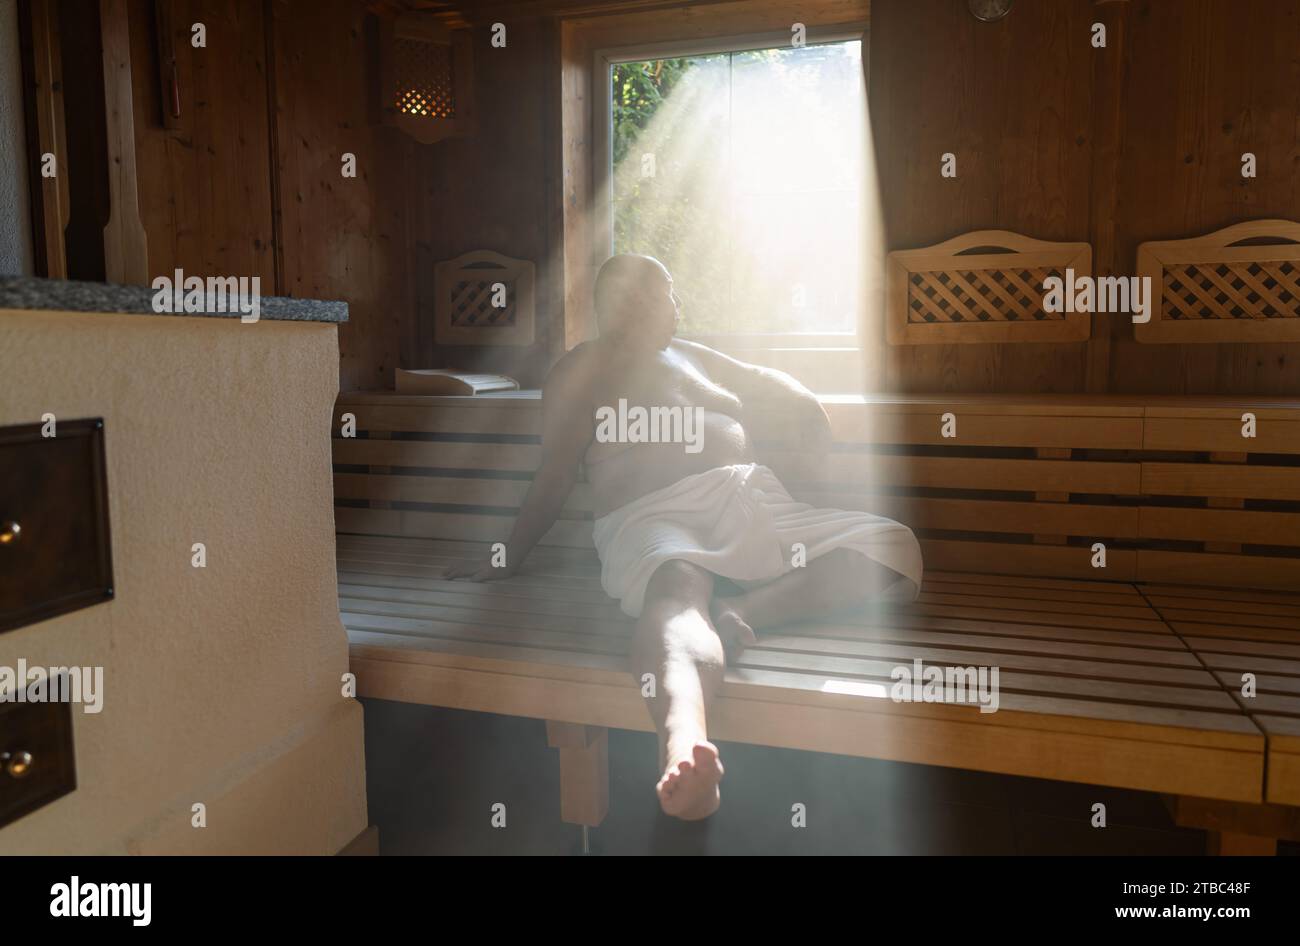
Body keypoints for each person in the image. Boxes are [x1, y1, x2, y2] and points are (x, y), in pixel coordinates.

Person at [446, 254, 922, 820]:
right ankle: (682, 744)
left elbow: (757, 379)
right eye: (670, 294)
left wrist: (802, 398)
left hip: (752, 500)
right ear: (636, 301)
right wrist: (507, 556)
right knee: (674, 596)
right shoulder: (580, 371)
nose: (678, 308)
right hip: (655, 517)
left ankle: (744, 611)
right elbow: (553, 475)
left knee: (894, 546)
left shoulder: (690, 353)